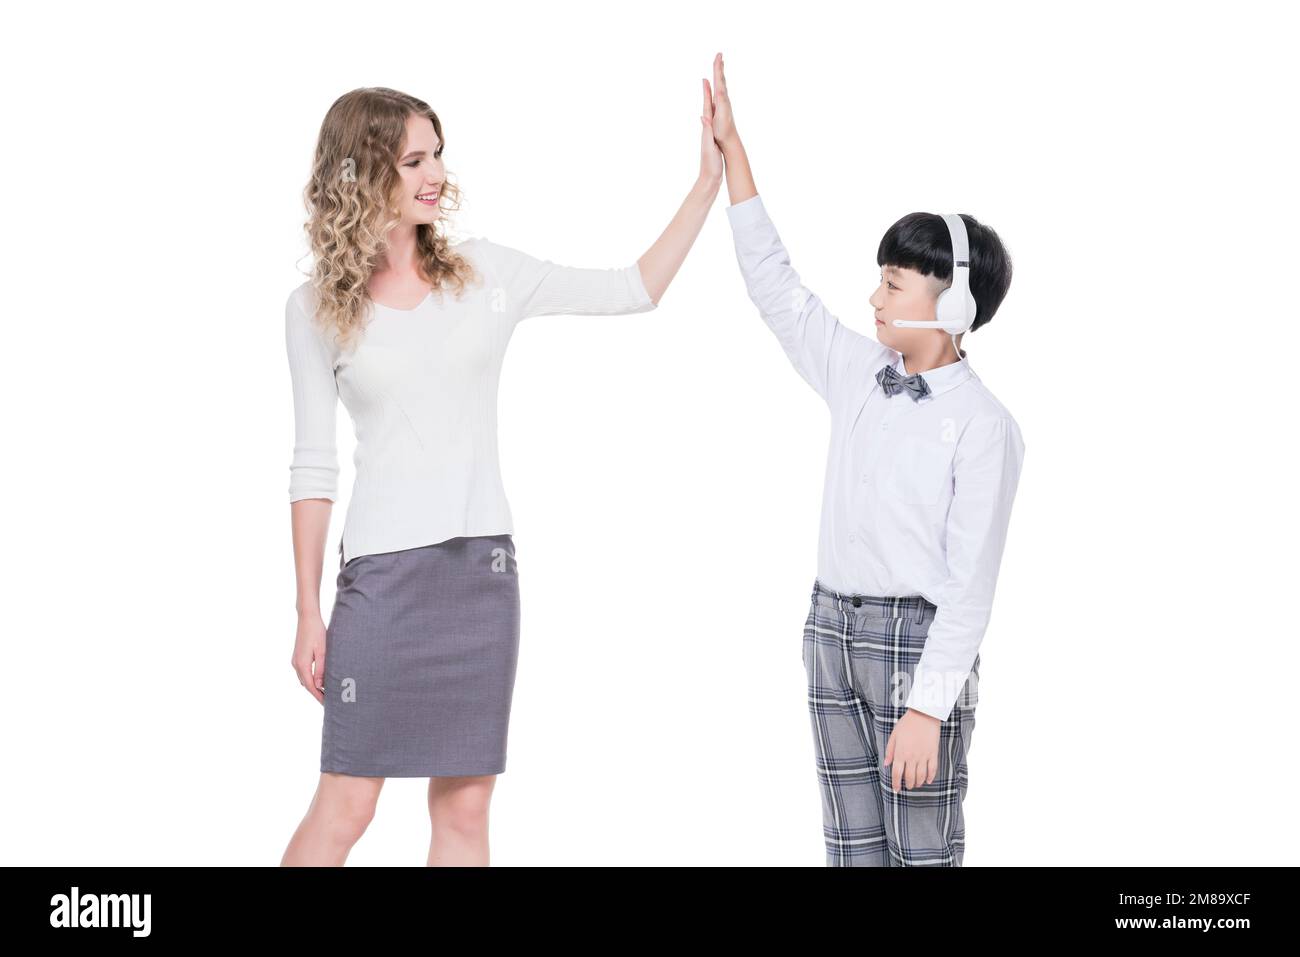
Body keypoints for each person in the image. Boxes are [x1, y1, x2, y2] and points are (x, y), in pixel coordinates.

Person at [281, 85, 723, 866]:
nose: (436, 173)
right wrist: (308, 612)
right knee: (347, 803)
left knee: (466, 810)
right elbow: (312, 466)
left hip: (480, 580)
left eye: (438, 153)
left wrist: (705, 185)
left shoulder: (485, 273)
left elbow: (634, 288)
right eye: (414, 158)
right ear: (362, 171)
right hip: (380, 583)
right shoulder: (314, 306)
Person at [706, 53, 1025, 866]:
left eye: (892, 284)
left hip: (913, 645)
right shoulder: (857, 372)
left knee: (921, 851)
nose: (874, 299)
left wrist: (928, 706)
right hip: (830, 627)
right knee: (852, 851)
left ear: (951, 303)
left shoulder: (985, 427)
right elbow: (777, 289)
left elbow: (970, 584)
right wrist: (736, 158)